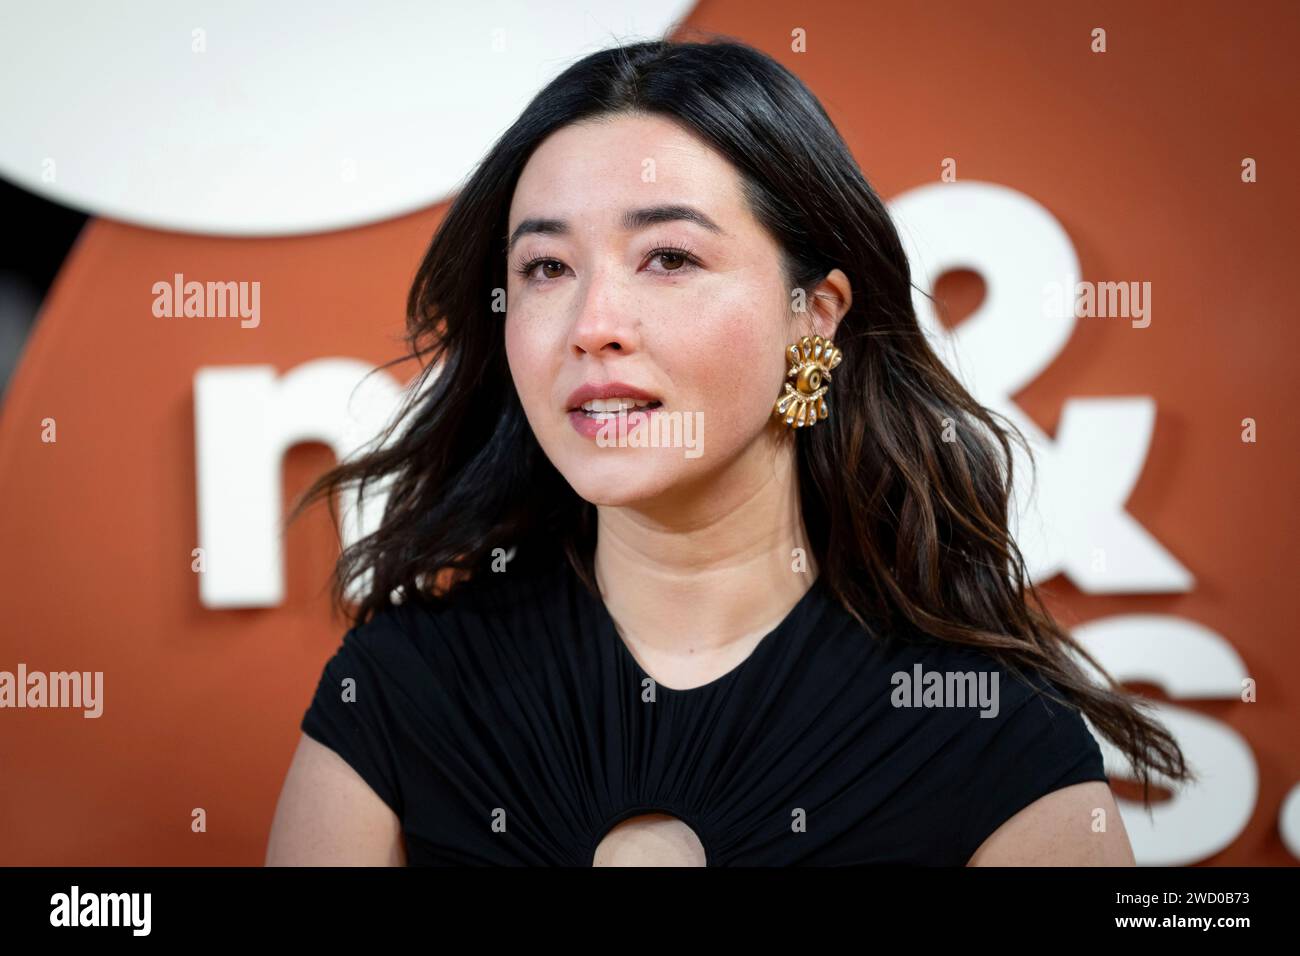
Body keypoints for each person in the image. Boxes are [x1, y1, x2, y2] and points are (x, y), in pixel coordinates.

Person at [266, 36, 1189, 866]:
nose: (593, 326)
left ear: (812, 318)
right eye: (546, 268)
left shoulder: (987, 733)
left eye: (668, 258)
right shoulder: (398, 693)